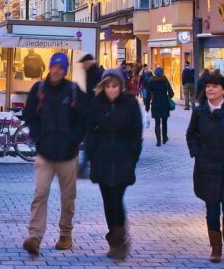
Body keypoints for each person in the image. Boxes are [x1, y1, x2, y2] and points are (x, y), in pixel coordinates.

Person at [19, 52, 86, 257]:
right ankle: (35, 237)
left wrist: (74, 139)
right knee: (40, 194)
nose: (56, 70)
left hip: (68, 155)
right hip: (45, 154)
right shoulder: (39, 89)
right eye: (54, 66)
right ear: (49, 67)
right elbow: (29, 115)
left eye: (60, 67)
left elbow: (84, 119)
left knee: (68, 197)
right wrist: (38, 136)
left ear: (65, 70)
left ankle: (65, 234)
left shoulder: (73, 91)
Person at [186, 70, 224, 264]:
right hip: (206, 167)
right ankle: (216, 248)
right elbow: (190, 134)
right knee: (212, 209)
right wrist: (196, 152)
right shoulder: (199, 111)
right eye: (207, 86)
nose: (210, 89)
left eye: (214, 86)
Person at [84, 68, 143, 260]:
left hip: (123, 159)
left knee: (116, 199)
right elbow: (90, 130)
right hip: (102, 159)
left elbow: (136, 132)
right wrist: (91, 154)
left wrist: (133, 155)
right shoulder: (96, 104)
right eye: (108, 86)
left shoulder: (130, 104)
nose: (111, 90)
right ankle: (116, 241)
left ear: (121, 86)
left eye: (115, 86)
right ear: (102, 86)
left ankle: (119, 240)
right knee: (108, 202)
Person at [144, 67, 175, 144]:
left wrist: (147, 107)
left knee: (157, 122)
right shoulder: (165, 80)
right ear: (162, 73)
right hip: (164, 103)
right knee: (164, 122)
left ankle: (158, 141)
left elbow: (148, 96)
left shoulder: (151, 81)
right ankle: (164, 138)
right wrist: (168, 96)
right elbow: (171, 93)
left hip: (155, 103)